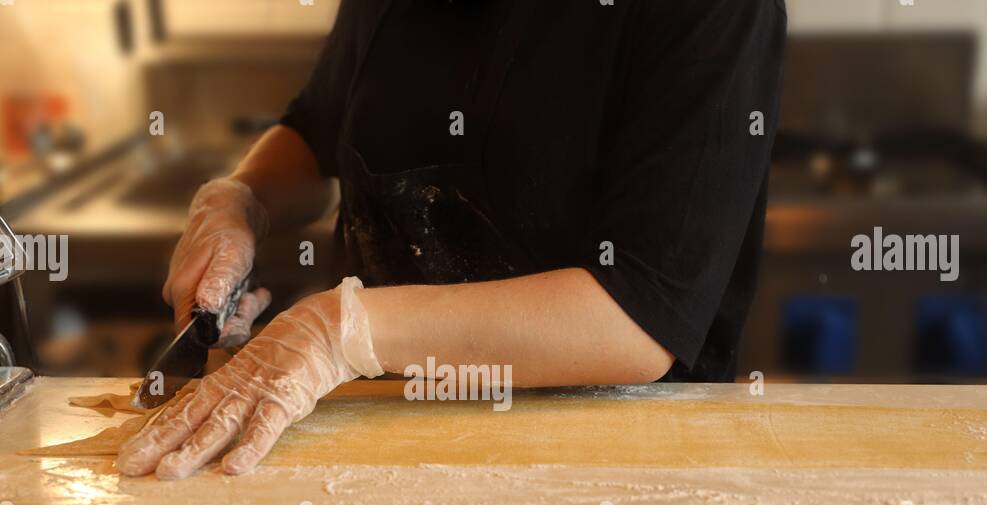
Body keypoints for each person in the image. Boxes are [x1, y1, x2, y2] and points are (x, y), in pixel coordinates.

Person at [117, 0, 787, 480]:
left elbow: (639, 317)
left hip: (616, 469)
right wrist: (240, 201)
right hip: (382, 444)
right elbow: (317, 132)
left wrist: (338, 332)